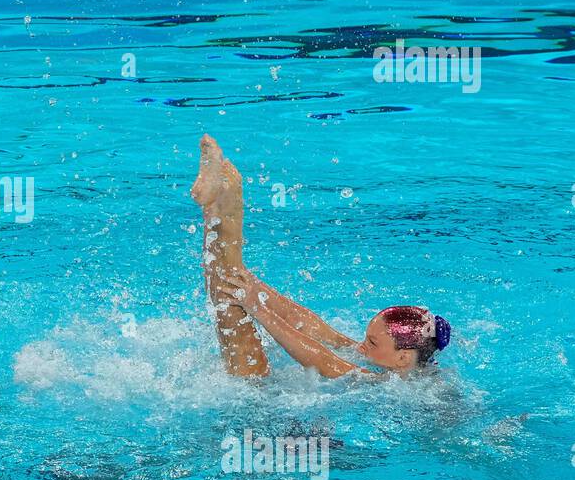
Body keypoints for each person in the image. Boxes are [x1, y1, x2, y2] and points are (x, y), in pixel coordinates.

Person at [190, 134, 452, 378]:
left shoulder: (404, 389)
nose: (361, 347)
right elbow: (322, 332)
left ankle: (224, 212)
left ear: (403, 359)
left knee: (251, 381)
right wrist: (252, 285)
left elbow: (327, 363)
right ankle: (223, 212)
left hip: (286, 416)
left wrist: (256, 307)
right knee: (235, 293)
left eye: (371, 343)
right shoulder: (391, 362)